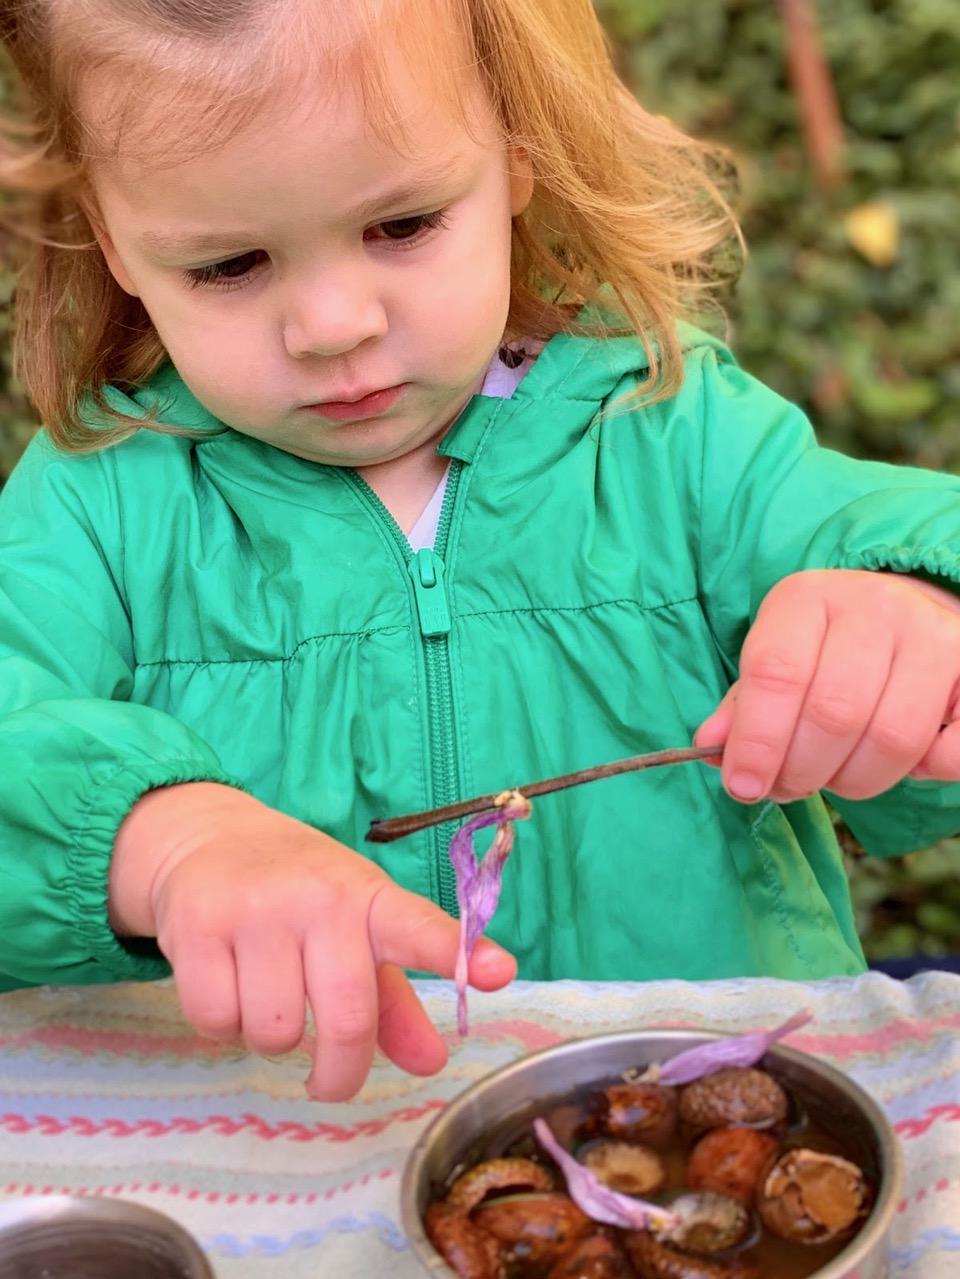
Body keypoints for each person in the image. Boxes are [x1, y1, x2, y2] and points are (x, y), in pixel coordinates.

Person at [0, 0, 959, 1104]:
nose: (332, 323)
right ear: (115, 240)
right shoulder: (98, 508)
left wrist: (917, 616)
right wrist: (151, 846)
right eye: (227, 264)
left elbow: (887, 541)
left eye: (401, 224)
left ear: (515, 155)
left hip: (720, 1126)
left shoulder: (671, 427)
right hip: (294, 1175)